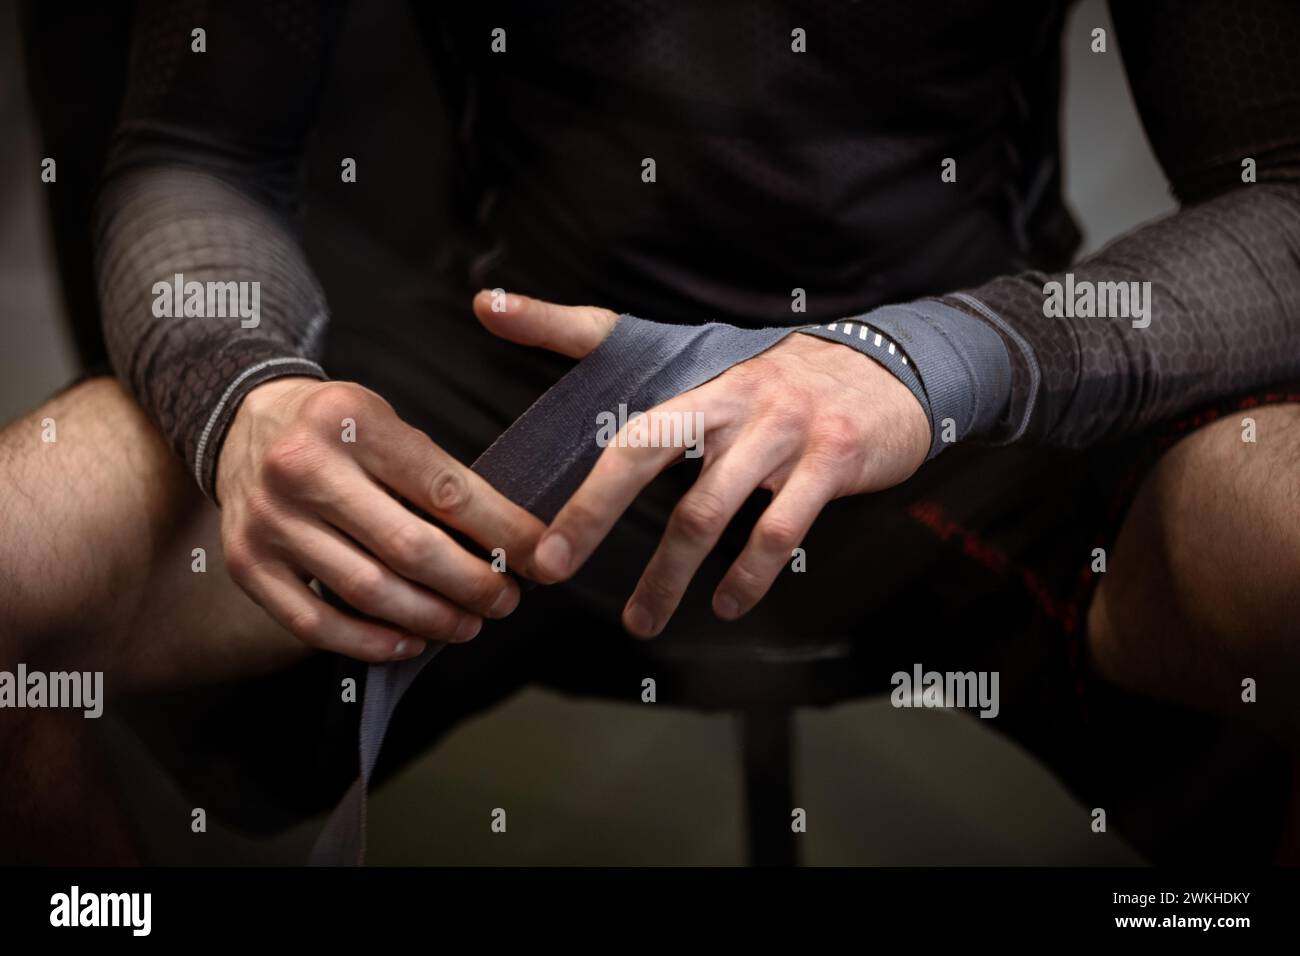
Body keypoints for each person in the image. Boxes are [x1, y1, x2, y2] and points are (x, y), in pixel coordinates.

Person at [2, 0, 1298, 862]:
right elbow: (197, 146)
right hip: (510, 400)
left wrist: (934, 360)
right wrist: (243, 392)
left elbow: (1285, 196)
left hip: (972, 401)